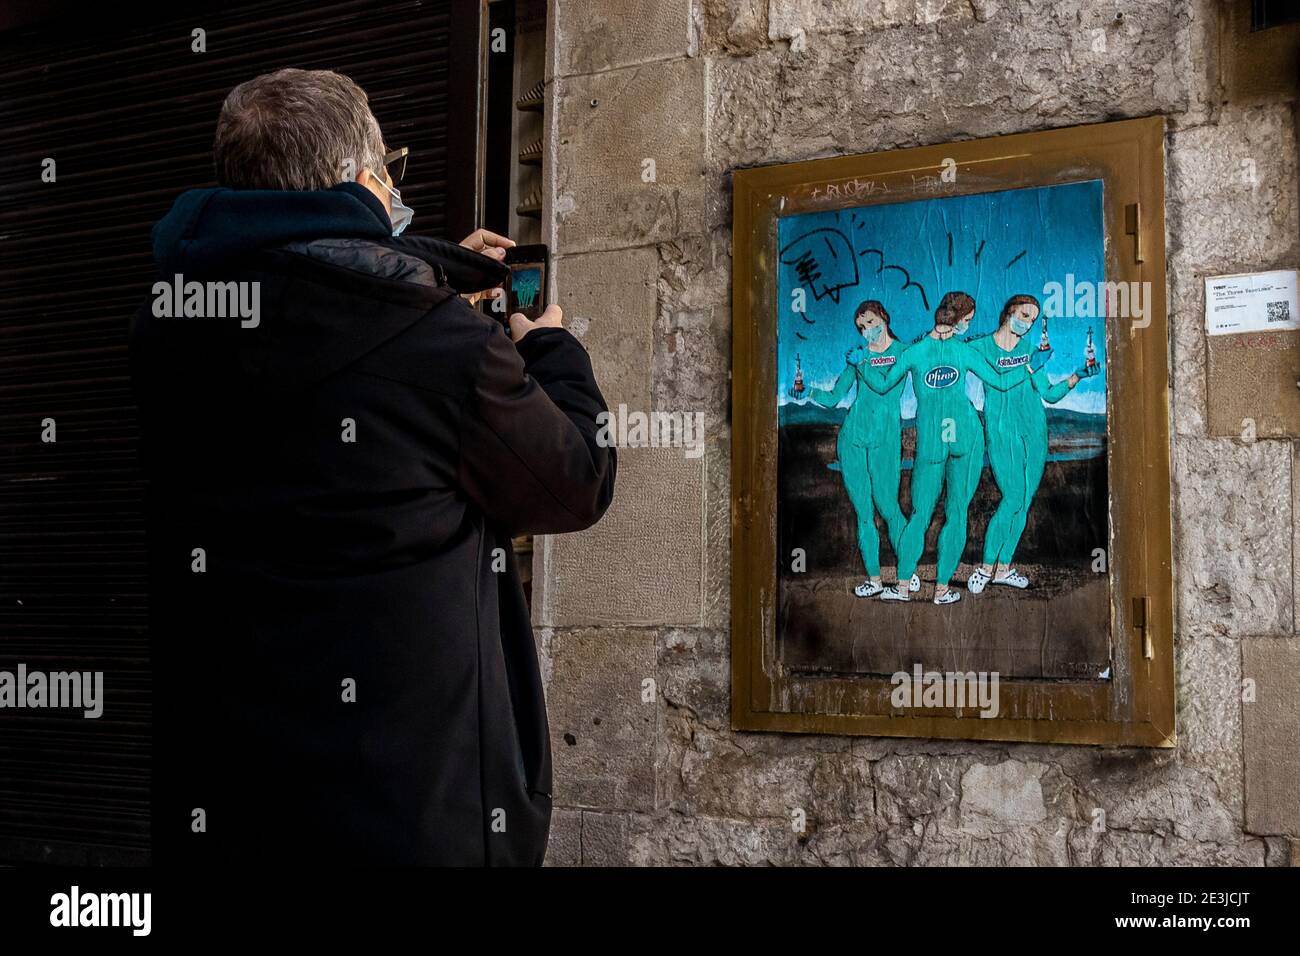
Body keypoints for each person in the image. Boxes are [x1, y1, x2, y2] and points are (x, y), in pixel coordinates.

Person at [130, 69, 616, 865]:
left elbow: (304, 301)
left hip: (233, 794)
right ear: (363, 177)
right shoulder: (438, 348)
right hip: (411, 805)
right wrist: (547, 349)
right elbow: (576, 479)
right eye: (388, 165)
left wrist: (418, 281)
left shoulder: (166, 329)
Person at [859, 292, 1041, 604]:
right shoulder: (964, 351)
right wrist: (1029, 365)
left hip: (931, 441)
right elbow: (1000, 381)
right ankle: (941, 591)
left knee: (920, 516)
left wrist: (861, 364)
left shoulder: (915, 352)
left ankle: (903, 588)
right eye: (968, 321)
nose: (968, 327)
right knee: (957, 514)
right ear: (957, 320)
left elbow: (883, 384)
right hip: (967, 437)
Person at [965, 294, 1096, 593]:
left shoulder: (1030, 351)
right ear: (1008, 312)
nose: (1027, 323)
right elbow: (985, 373)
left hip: (1034, 433)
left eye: (1032, 319)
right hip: (1001, 433)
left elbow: (1048, 394)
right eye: (1024, 315)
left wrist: (1078, 375)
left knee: (1023, 503)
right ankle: (985, 567)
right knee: (1011, 497)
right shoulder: (981, 347)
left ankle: (1004, 567)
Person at [796, 301, 915, 597]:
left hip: (885, 441)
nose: (867, 331)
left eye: (871, 323)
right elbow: (834, 397)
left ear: (884, 318)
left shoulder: (902, 354)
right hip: (852, 440)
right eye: (862, 327)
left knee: (889, 509)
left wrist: (862, 362)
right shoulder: (858, 357)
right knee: (864, 513)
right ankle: (874, 580)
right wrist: (807, 391)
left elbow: (886, 386)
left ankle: (906, 571)